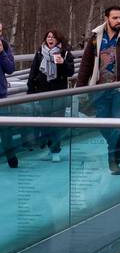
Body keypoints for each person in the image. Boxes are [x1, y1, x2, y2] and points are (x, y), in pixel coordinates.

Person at [76, 5, 120, 174]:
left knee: (118, 125)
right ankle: (117, 141)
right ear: (107, 19)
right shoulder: (96, 38)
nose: (119, 20)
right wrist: (80, 86)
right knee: (102, 122)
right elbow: (87, 63)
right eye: (115, 18)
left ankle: (114, 161)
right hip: (100, 89)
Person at [27, 29, 76, 159]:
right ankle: (49, 145)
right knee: (45, 120)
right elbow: (33, 72)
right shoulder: (40, 53)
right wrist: (30, 90)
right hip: (43, 92)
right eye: (48, 37)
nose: (50, 39)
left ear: (58, 40)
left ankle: (55, 150)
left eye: (53, 37)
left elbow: (70, 72)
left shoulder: (65, 53)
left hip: (59, 92)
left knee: (56, 122)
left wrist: (62, 63)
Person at [0, 22, 19, 168]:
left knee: (6, 131)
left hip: (1, 95)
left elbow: (11, 68)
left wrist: (2, 53)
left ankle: (11, 159)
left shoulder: (4, 45)